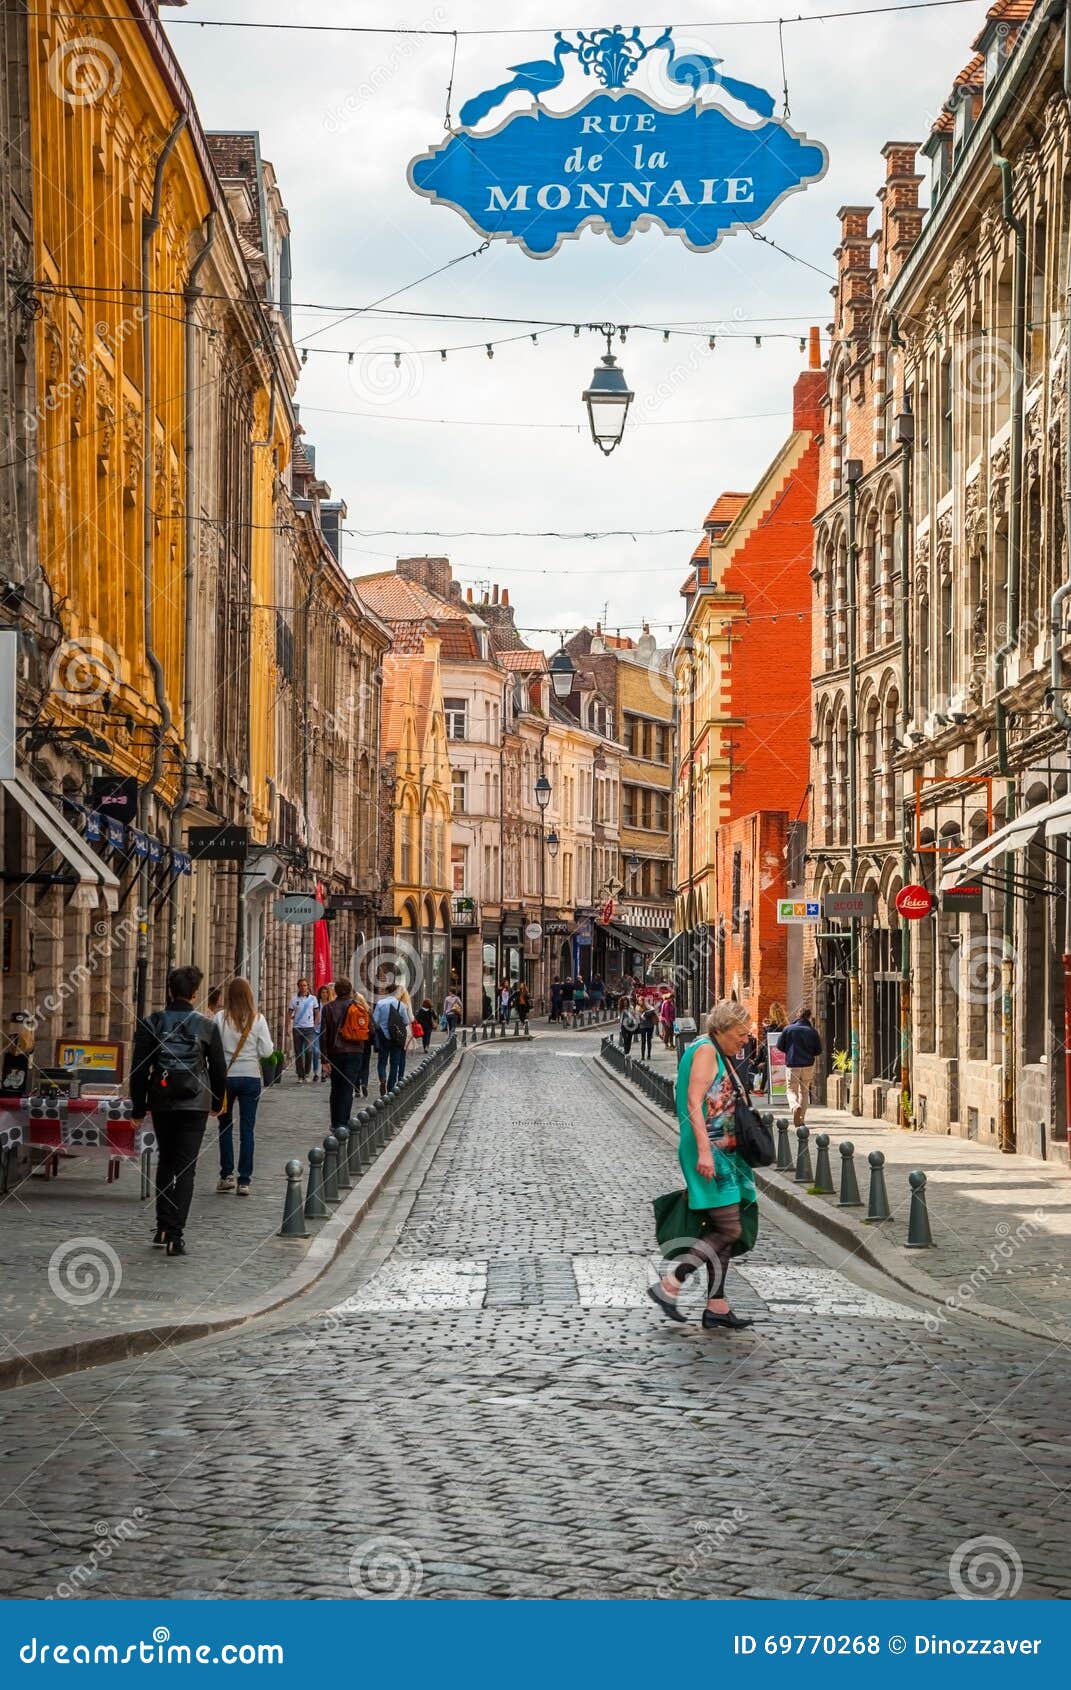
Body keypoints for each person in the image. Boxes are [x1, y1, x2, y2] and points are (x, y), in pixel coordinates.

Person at [648, 1000, 758, 1330]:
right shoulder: (707, 1051)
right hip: (710, 1151)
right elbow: (694, 1103)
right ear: (722, 1030)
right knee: (729, 1228)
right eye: (741, 1034)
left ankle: (717, 1305)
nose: (745, 1040)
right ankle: (669, 1285)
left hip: (723, 1150)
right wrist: (705, 1152)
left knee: (720, 1227)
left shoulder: (711, 1048)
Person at [130, 964, 227, 1258]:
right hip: (194, 1103)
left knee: (166, 1162)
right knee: (186, 1169)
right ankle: (175, 1236)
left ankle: (162, 1225)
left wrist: (137, 1108)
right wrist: (216, 1101)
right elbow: (219, 1069)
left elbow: (138, 1070)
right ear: (195, 992)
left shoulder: (152, 1022)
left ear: (169, 991)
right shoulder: (207, 1026)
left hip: (162, 1101)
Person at [213, 977, 273, 1196]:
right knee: (247, 1130)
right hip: (250, 1077)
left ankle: (226, 1175)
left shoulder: (220, 1018)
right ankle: (244, 1180)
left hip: (226, 1077)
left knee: (225, 1126)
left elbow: (213, 1049)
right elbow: (267, 1051)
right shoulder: (258, 1020)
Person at [321, 976, 373, 1128]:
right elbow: (371, 1031)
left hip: (335, 1053)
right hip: (355, 1052)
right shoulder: (359, 1007)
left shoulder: (328, 1008)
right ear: (350, 990)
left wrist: (324, 1059)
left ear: (336, 991)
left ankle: (336, 1123)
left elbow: (323, 1035)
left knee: (336, 1088)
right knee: (347, 1087)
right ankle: (344, 1122)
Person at [776, 1008, 824, 1127]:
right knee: (805, 1091)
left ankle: (794, 1106)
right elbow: (818, 1050)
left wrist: (790, 1050)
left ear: (798, 1015)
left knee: (791, 1089)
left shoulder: (788, 1029)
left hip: (793, 1064)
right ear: (809, 1017)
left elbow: (779, 1046)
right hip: (808, 1064)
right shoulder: (812, 1031)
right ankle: (801, 1118)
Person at [372, 982, 411, 1094]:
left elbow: (375, 1021)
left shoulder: (380, 1003)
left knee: (382, 1061)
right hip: (396, 1038)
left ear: (386, 991)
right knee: (395, 1063)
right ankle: (390, 1087)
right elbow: (406, 1021)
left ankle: (382, 1078)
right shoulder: (400, 1005)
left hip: (383, 1037)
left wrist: (382, 1028)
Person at [287, 977, 319, 1083]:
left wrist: (315, 1024)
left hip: (309, 1028)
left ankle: (306, 1073)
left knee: (309, 1050)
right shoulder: (294, 999)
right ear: (298, 987)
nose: (303, 987)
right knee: (298, 1052)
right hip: (297, 1028)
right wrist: (288, 1026)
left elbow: (317, 1012)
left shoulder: (313, 999)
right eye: (301, 985)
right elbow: (289, 1014)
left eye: (305, 985)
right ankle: (300, 1076)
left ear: (308, 986)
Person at [316, 983, 336, 1082]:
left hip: (328, 1031)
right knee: (317, 1052)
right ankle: (318, 1072)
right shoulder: (316, 1003)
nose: (324, 994)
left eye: (326, 992)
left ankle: (324, 1072)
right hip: (316, 1030)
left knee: (326, 1051)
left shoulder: (331, 1004)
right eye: (322, 992)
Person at [638, 997, 658, 1062]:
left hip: (650, 1026)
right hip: (642, 1026)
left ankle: (649, 1055)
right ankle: (643, 1056)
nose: (641, 1002)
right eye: (640, 1000)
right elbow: (638, 1016)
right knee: (643, 1041)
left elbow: (653, 1013)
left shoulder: (649, 1008)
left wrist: (647, 1012)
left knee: (649, 1040)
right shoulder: (638, 1008)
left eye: (642, 1000)